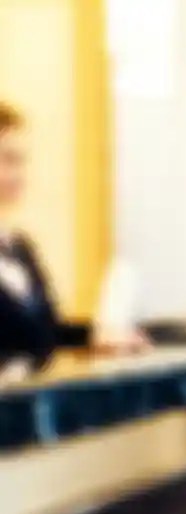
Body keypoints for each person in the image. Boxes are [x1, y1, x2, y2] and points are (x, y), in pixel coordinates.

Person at [0, 102, 147, 355]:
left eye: (23, 161)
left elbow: (48, 332)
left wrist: (95, 335)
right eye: (10, 160)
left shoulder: (20, 247)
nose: (21, 175)